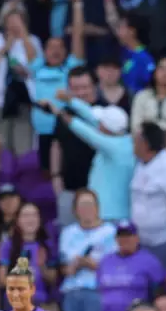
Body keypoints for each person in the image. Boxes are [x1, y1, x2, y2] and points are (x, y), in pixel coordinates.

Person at [48, 93, 135, 222]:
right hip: (106, 212)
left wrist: (59, 113)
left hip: (110, 215)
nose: (97, 124)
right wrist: (71, 100)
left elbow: (86, 133)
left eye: (100, 123)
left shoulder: (115, 147)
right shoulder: (122, 138)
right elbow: (91, 116)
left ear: (106, 127)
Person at [58, 189, 118, 311]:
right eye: (82, 205)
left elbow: (113, 265)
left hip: (97, 291)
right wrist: (74, 266)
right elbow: (64, 267)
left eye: (90, 204)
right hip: (71, 291)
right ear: (75, 210)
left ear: (98, 207)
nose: (86, 209)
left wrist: (88, 263)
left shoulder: (110, 232)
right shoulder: (68, 233)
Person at [31, 0, 86, 174]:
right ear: (44, 52)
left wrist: (77, 5)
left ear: (66, 51)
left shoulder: (71, 67)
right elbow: (23, 36)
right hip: (43, 131)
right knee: (45, 175)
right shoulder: (37, 68)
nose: (55, 50)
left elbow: (77, 34)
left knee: (66, 172)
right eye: (51, 47)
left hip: (66, 128)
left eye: (60, 47)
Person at [0, 2, 42, 155]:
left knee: (23, 150)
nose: (14, 22)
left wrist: (23, 35)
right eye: (11, 17)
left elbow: (37, 68)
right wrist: (5, 48)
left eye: (18, 18)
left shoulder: (33, 40)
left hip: (24, 102)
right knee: (1, 150)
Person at [130, 122, 166, 265]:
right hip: (140, 240)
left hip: (163, 241)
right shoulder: (140, 163)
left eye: (136, 139)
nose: (133, 143)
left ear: (145, 143)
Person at [96, 221, 166, 311]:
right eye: (121, 236)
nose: (125, 240)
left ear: (137, 238)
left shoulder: (149, 261)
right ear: (116, 239)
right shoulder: (106, 261)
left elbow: (160, 290)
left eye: (128, 236)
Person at [0, 202, 56, 306]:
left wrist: (42, 267)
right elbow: (2, 279)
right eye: (26, 216)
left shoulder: (46, 245)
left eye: (34, 215)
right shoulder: (8, 245)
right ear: (17, 220)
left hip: (41, 300)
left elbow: (53, 278)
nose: (30, 219)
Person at [130, 56, 166, 133]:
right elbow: (135, 126)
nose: (165, 72)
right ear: (155, 72)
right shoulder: (142, 96)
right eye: (161, 68)